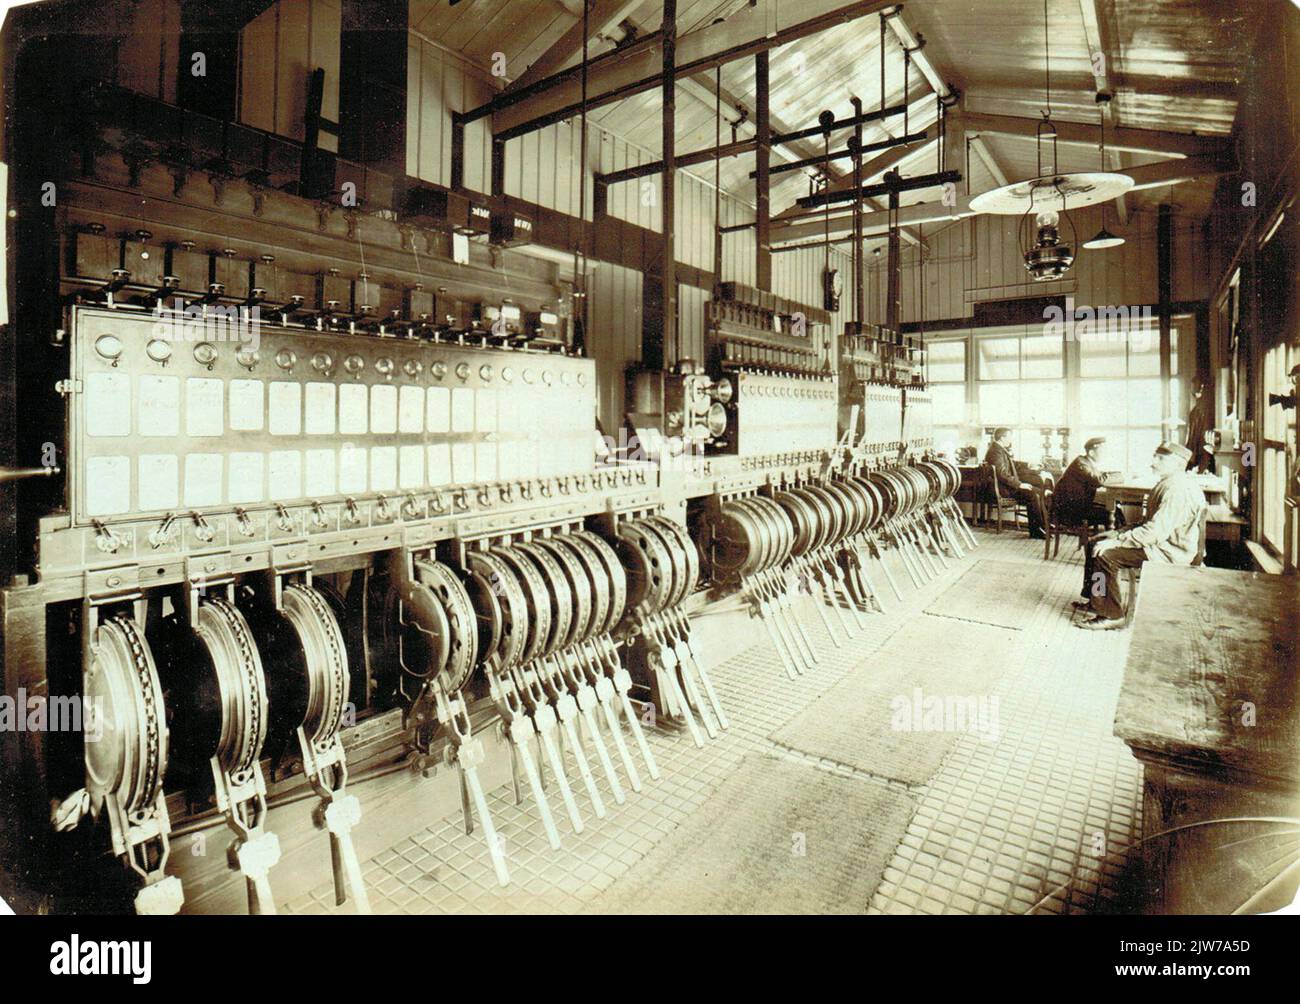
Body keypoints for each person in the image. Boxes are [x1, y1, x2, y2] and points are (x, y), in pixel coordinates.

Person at [1074, 442, 1206, 630]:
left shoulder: (1177, 490)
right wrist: (1118, 532)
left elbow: (1154, 532)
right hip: (1159, 543)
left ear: (1177, 464)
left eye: (1160, 458)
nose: (1153, 462)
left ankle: (1112, 614)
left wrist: (1118, 541)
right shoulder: (1169, 483)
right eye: (1155, 456)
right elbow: (1148, 523)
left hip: (1167, 551)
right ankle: (1097, 601)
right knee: (1095, 543)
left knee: (1105, 555)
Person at [984, 428, 1047, 539]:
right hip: (1003, 489)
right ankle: (1036, 530)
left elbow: (1012, 464)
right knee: (1032, 495)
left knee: (1040, 492)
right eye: (1009, 437)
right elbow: (1002, 474)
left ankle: (1042, 525)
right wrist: (1019, 484)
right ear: (1002, 437)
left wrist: (1028, 464)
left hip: (1006, 486)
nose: (1011, 440)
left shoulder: (999, 449)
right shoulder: (995, 451)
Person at [1051, 436, 1116, 531]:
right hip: (1071, 513)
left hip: (1077, 508)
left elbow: (1101, 477)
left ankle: (1115, 542)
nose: (1105, 454)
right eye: (1102, 451)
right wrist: (1119, 476)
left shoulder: (1087, 463)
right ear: (1091, 453)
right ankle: (1113, 543)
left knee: (1114, 511)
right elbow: (1099, 480)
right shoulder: (1081, 464)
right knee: (1113, 514)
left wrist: (1116, 475)